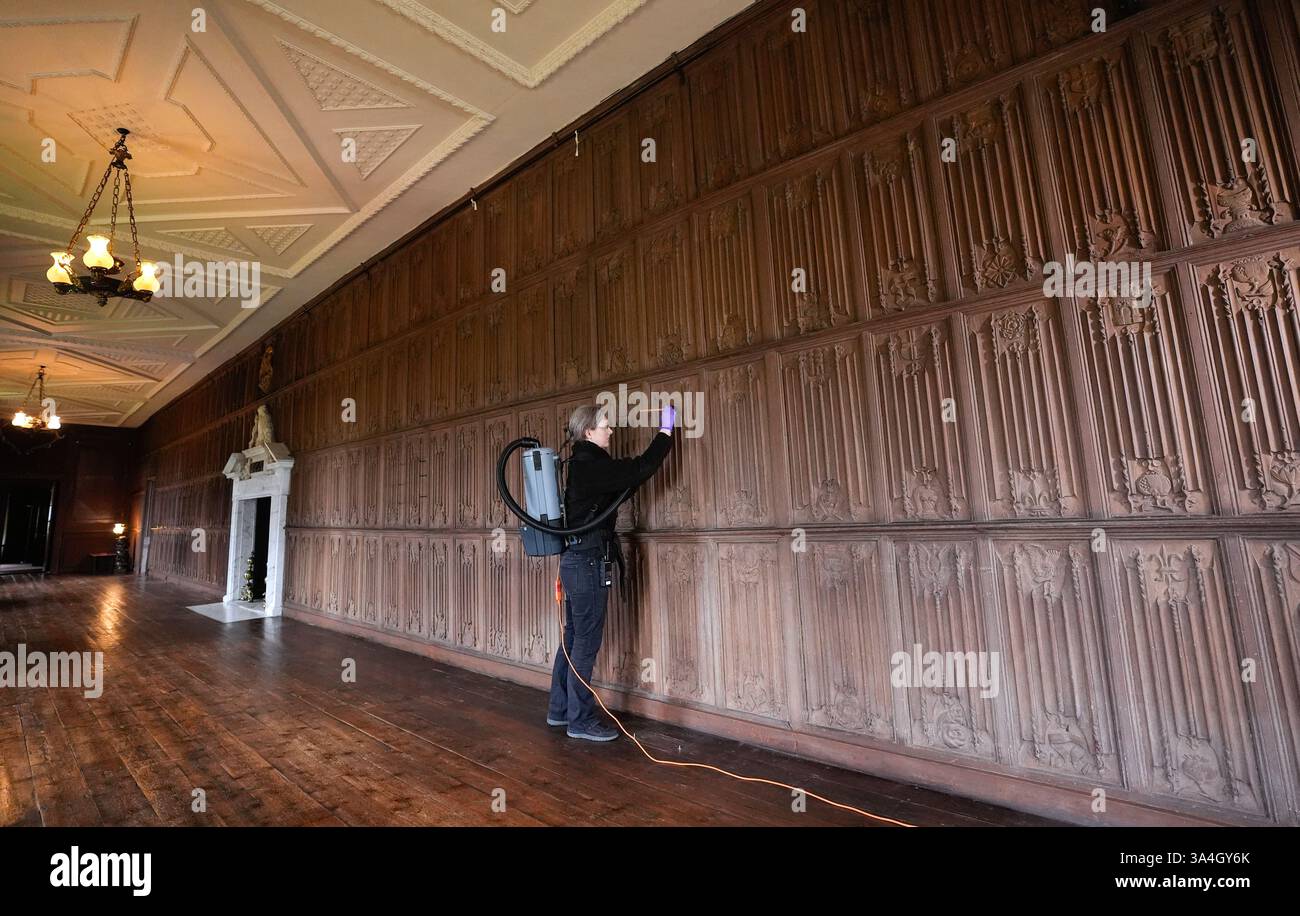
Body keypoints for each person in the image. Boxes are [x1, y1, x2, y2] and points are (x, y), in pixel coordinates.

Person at [546, 401, 676, 741]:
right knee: (585, 641)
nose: (611, 430)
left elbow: (625, 484)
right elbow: (642, 467)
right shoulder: (591, 465)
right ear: (589, 432)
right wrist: (666, 430)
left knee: (574, 636)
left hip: (576, 560)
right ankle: (580, 720)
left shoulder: (584, 465)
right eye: (606, 425)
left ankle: (560, 710)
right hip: (587, 563)